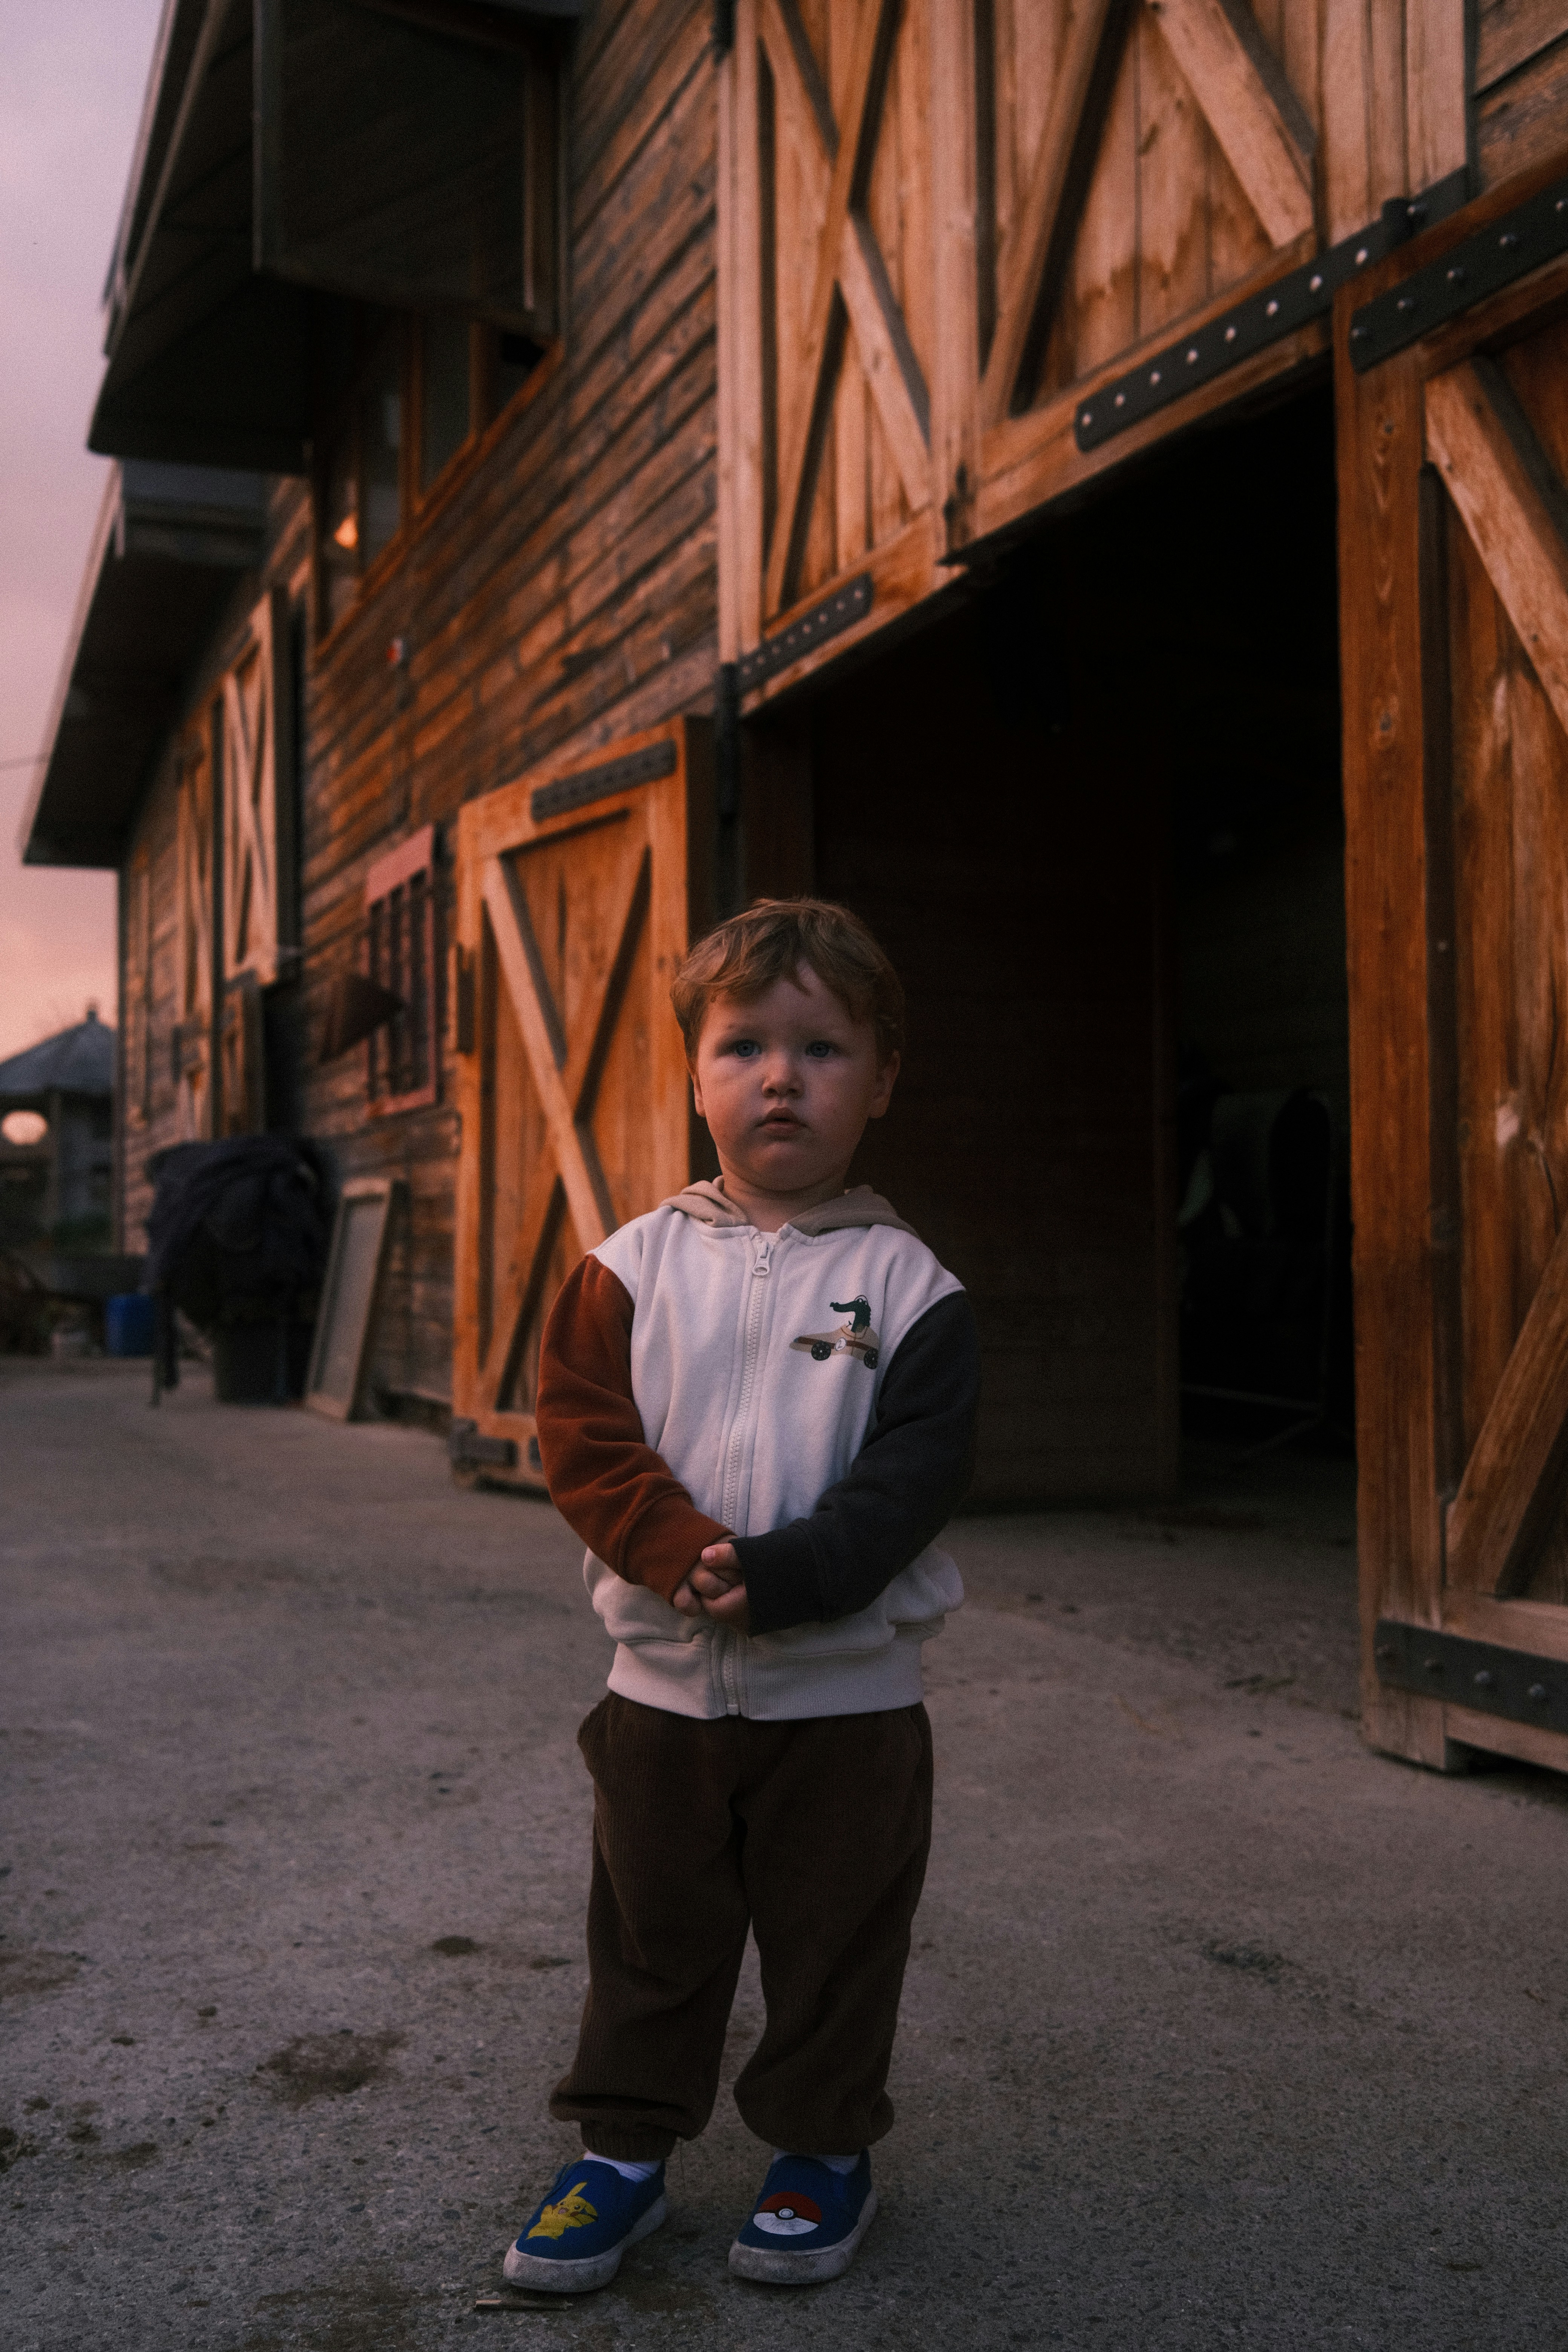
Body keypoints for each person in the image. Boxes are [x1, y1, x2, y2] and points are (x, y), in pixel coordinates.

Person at [502, 897, 980, 2292]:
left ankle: (824, 2151)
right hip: (657, 1697)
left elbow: (912, 1481)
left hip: (848, 1705)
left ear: (881, 1081)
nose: (783, 1075)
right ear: (695, 1073)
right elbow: (584, 1439)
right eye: (745, 1046)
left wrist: (781, 1578)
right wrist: (677, 1550)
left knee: (836, 1944)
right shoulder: (628, 1266)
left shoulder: (916, 1288)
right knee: (652, 1936)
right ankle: (624, 2157)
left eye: (824, 1048)